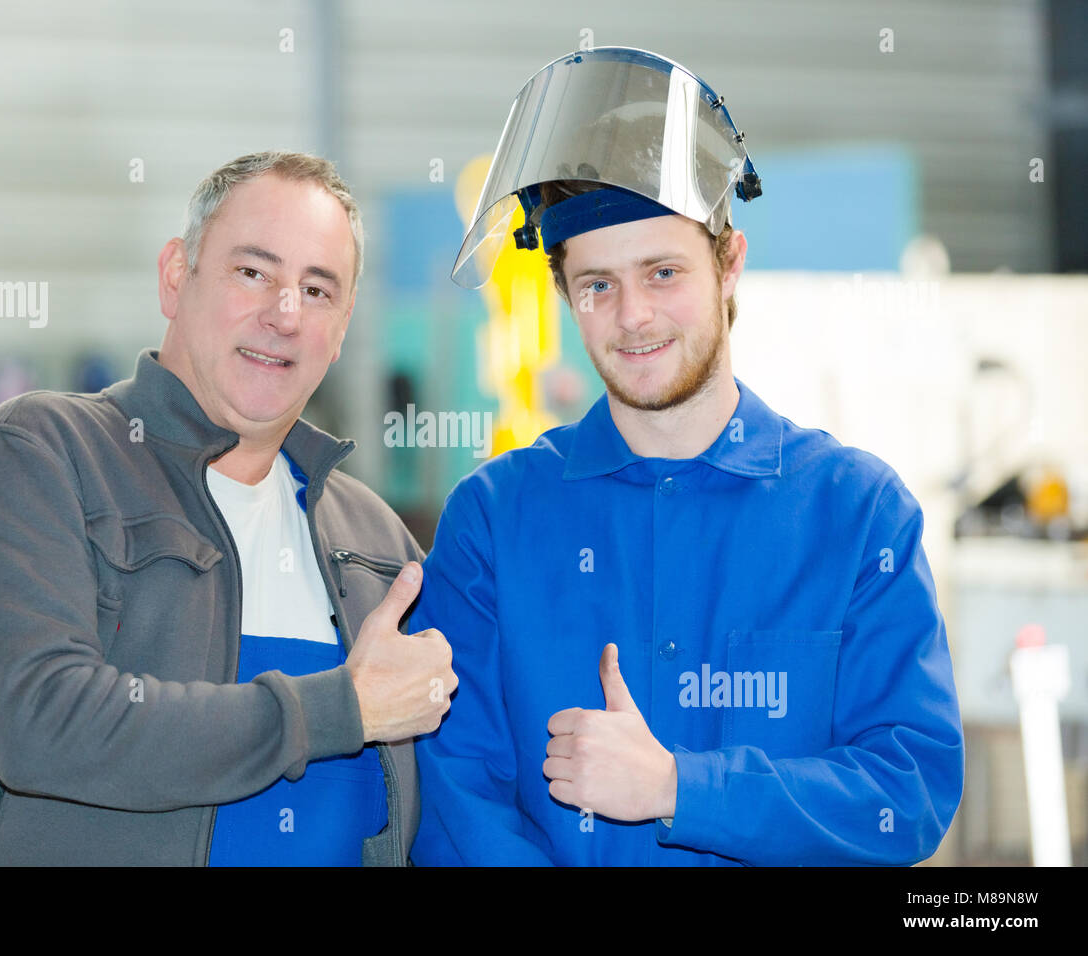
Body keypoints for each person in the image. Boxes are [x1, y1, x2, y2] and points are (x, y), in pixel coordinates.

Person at [410, 47, 964, 866]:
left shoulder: (856, 514)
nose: (632, 316)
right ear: (566, 294)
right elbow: (458, 802)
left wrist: (681, 787)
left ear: (729, 263)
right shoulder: (494, 521)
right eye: (597, 285)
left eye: (663, 272)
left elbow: (906, 790)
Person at [0, 151, 456, 866]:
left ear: (343, 324)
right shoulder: (40, 456)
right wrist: (340, 709)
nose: (285, 314)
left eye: (319, 289)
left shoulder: (375, 540)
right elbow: (42, 722)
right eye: (253, 272)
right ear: (177, 276)